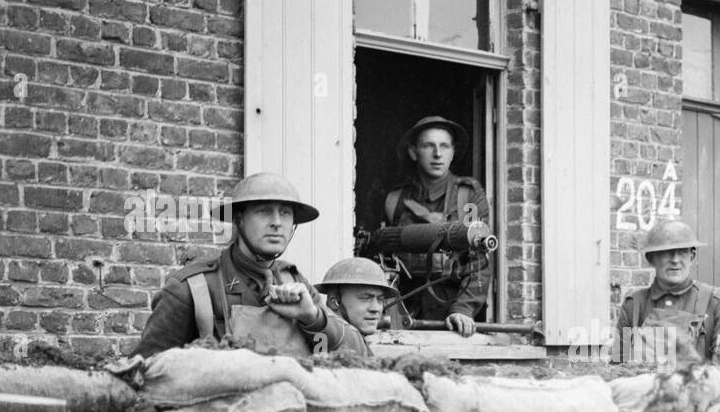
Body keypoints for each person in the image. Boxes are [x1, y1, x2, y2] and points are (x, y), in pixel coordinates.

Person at [132, 172, 367, 359]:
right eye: (264, 211)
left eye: (285, 213)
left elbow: (354, 355)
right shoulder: (192, 288)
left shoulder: (294, 281)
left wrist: (313, 318)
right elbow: (148, 368)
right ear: (239, 219)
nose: (277, 223)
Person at [359, 115, 491, 338]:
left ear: (453, 152)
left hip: (453, 314)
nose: (438, 154)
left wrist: (463, 310)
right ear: (413, 152)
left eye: (444, 146)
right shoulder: (395, 199)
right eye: (429, 146)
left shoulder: (467, 195)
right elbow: (380, 260)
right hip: (402, 309)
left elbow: (480, 261)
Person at [616, 219, 720, 362]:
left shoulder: (717, 303)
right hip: (645, 383)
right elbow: (618, 366)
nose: (675, 260)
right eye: (667, 252)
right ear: (651, 259)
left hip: (700, 383)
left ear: (692, 256)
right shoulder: (634, 306)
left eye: (682, 252)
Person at [314, 258, 397, 344]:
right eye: (365, 298)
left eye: (380, 299)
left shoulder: (353, 343)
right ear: (334, 301)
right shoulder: (323, 340)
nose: (375, 309)